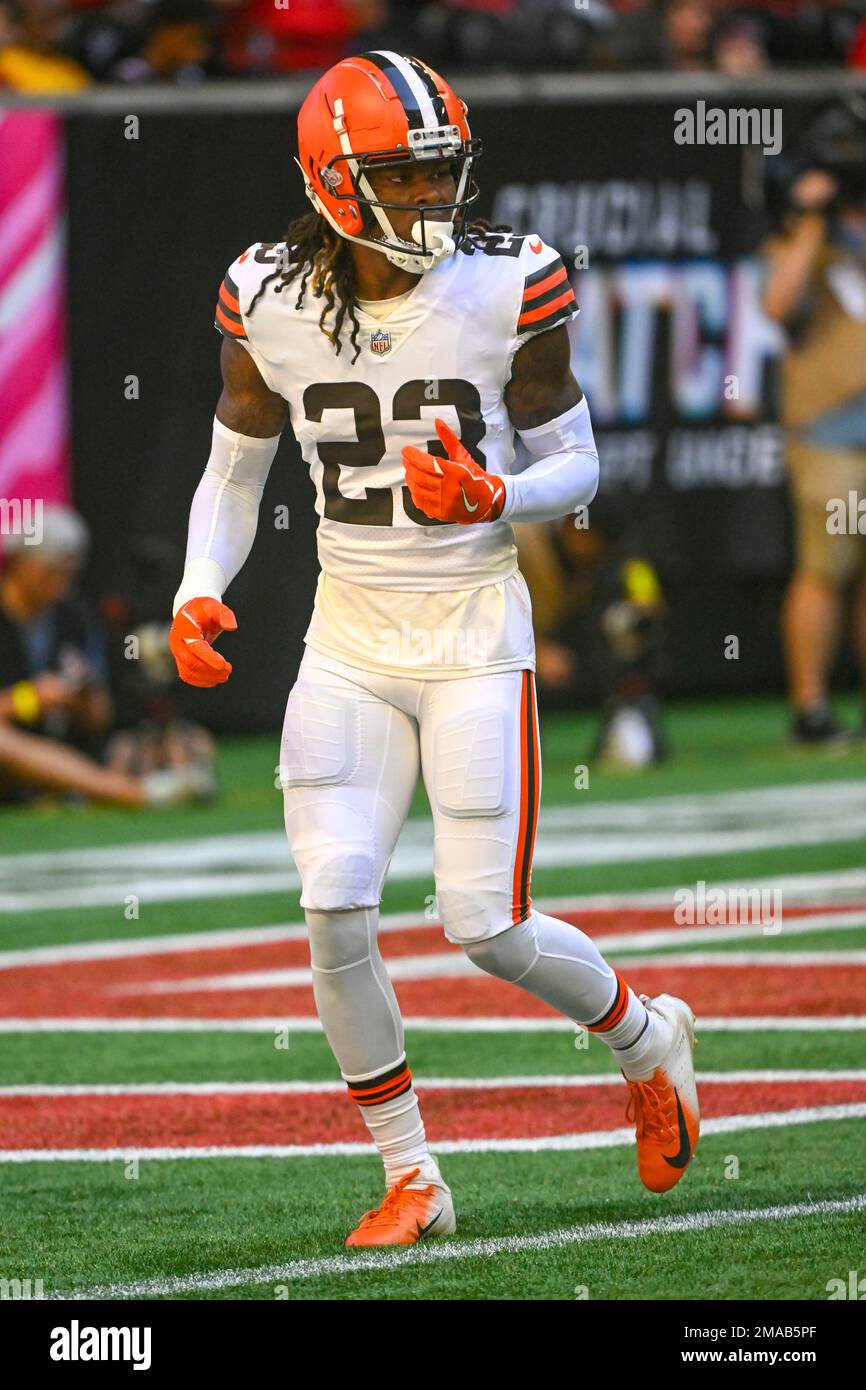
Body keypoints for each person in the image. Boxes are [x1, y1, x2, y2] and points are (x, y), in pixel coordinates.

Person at [169, 50, 700, 1248]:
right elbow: (231, 472)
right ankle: (412, 1173)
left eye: (439, 174)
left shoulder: (509, 281)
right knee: (332, 907)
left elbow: (580, 462)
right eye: (403, 179)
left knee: (484, 924)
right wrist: (201, 590)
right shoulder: (265, 295)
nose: (431, 203)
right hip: (346, 640)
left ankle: (642, 1036)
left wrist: (494, 493)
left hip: (470, 630)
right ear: (334, 184)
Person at [762, 103, 866, 744]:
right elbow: (777, 305)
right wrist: (809, 221)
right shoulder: (797, 239)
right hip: (830, 431)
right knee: (825, 568)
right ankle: (811, 708)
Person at [0, 505, 213, 807]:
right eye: (51, 571)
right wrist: (32, 699)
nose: (60, 582)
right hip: (10, 752)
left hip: (61, 744)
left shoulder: (72, 616)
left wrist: (81, 699)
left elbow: (100, 716)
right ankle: (137, 795)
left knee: (190, 742)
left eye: (68, 572)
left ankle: (84, 786)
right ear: (19, 563)